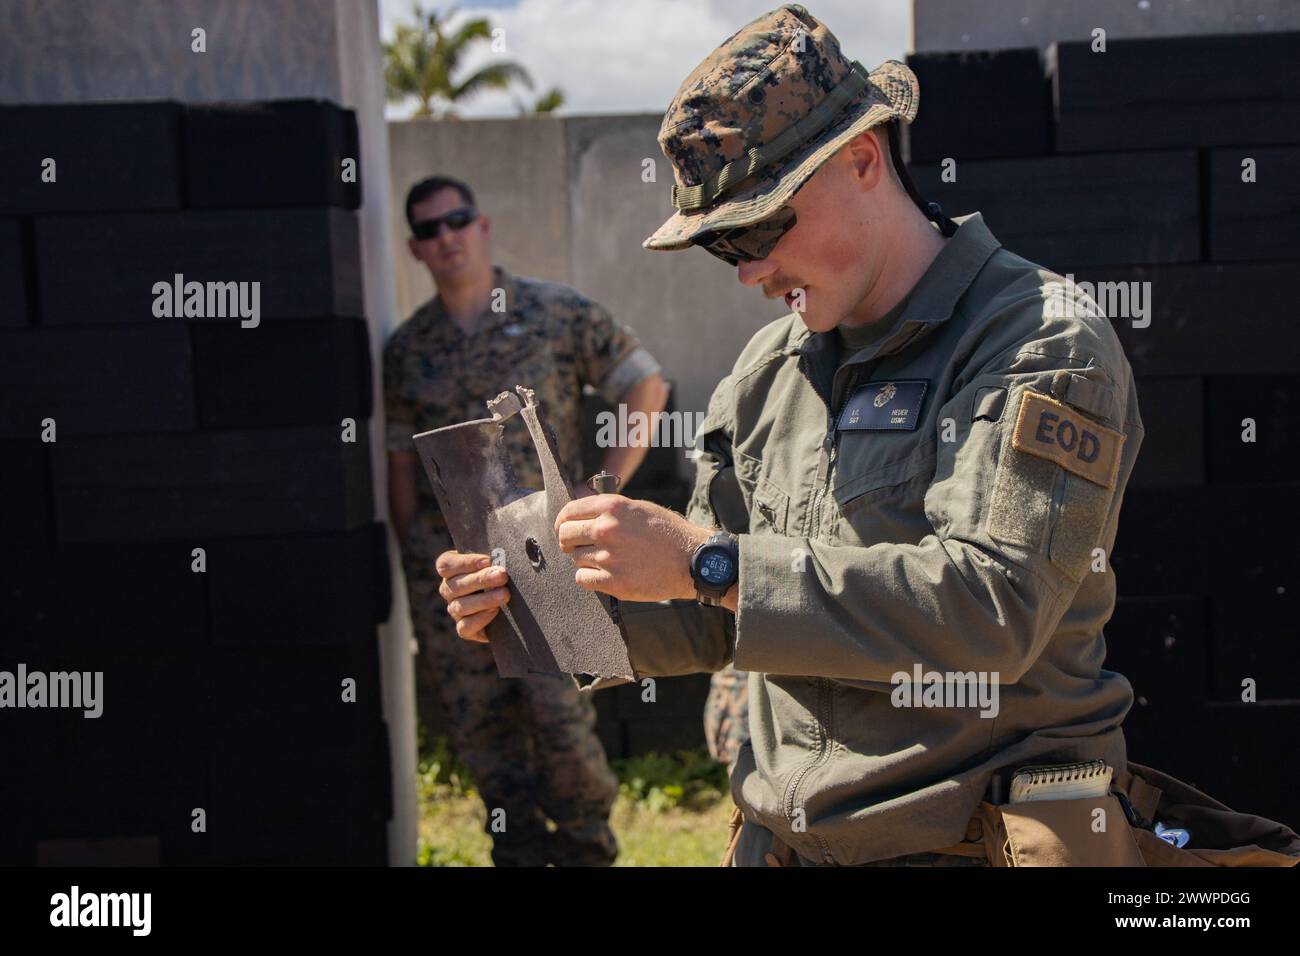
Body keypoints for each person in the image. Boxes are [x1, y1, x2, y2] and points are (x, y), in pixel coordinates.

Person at [436, 5, 1300, 867]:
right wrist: (547, 604)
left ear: (861, 158)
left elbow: (991, 611)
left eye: (761, 226)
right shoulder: (766, 372)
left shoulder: (1039, 342)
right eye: (720, 245)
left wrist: (711, 560)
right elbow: (712, 622)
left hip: (967, 844)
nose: (748, 269)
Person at [384, 174, 668, 866]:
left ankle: (585, 851)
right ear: (416, 249)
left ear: (481, 227)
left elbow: (645, 382)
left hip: (549, 563)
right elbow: (397, 471)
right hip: (461, 581)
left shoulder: (554, 312)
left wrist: (596, 489)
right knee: (484, 738)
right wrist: (422, 574)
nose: (445, 236)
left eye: (457, 220)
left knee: (563, 727)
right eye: (428, 229)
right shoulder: (408, 349)